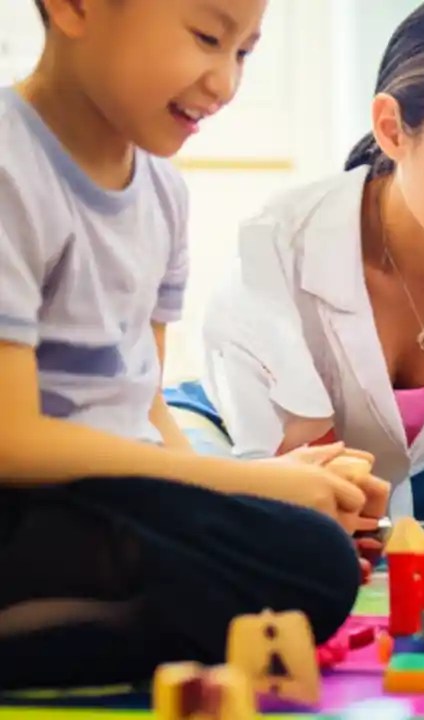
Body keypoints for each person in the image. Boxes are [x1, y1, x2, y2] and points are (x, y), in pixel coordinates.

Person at [0, 0, 383, 690]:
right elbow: (12, 440)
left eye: (244, 52)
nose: (225, 83)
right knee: (304, 560)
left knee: (310, 551)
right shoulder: (11, 168)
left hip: (105, 508)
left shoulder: (163, 195)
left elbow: (143, 407)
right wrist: (251, 482)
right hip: (22, 502)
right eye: (207, 37)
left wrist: (259, 497)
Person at [200, 0, 424, 523]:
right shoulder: (281, 244)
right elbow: (315, 467)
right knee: (229, 532)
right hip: (269, 452)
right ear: (392, 129)